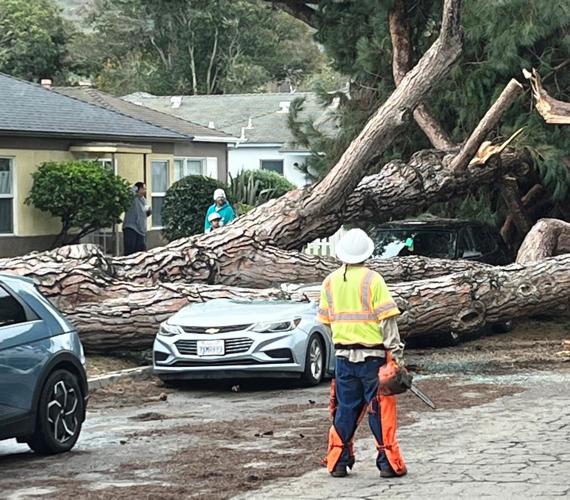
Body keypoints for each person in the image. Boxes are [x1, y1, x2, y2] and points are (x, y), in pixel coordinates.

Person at [317, 228, 407, 479]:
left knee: (345, 408)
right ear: (367, 253)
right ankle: (388, 462)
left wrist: (344, 336)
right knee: (380, 408)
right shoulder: (373, 280)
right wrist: (396, 355)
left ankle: (337, 461)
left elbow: (325, 321)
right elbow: (387, 321)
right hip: (373, 359)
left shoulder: (330, 282)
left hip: (344, 358)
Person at [123, 182, 151, 255]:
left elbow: (144, 210)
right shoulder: (132, 198)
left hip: (141, 230)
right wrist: (135, 188)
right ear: (138, 189)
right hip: (130, 227)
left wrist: (148, 210)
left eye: (145, 189)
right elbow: (129, 193)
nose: (145, 191)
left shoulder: (143, 199)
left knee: (141, 252)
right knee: (130, 251)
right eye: (143, 189)